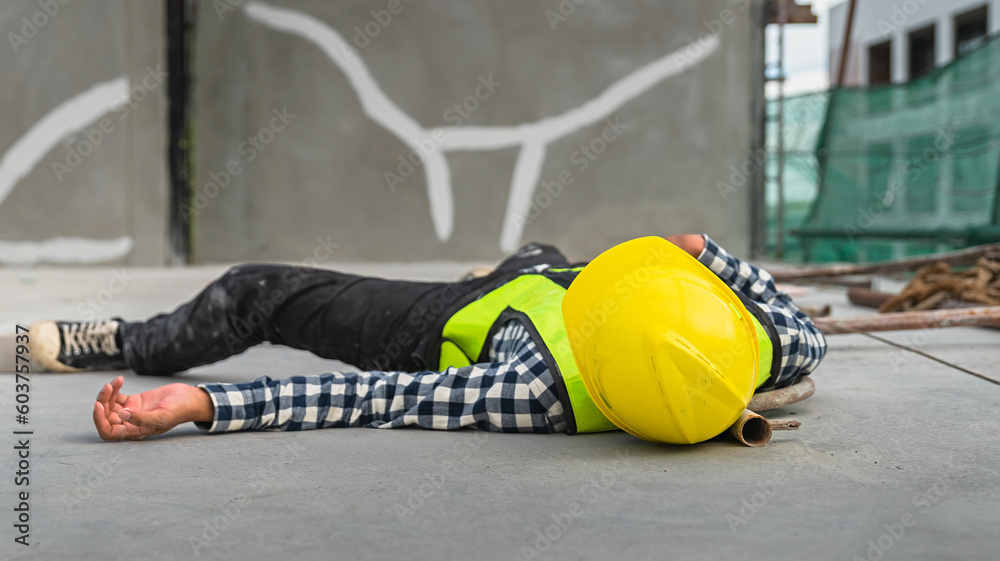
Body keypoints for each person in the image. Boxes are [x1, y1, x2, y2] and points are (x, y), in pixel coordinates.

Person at [28, 234, 827, 442]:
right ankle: (527, 259)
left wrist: (204, 400)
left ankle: (126, 341)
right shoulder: (755, 345)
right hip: (547, 276)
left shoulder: (537, 388)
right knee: (542, 250)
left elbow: (371, 397)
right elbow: (803, 332)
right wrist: (711, 258)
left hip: (444, 319)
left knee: (256, 291)